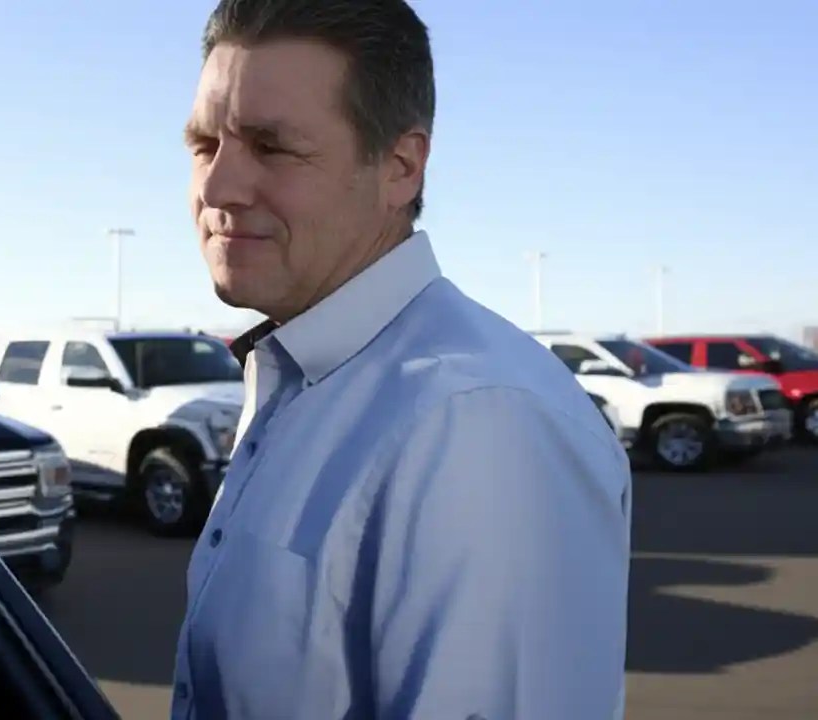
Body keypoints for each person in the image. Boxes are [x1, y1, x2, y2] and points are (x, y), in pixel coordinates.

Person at [172, 1, 632, 718]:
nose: (219, 187)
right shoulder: (302, 380)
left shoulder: (478, 422)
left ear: (400, 167)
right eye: (205, 144)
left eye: (272, 147)